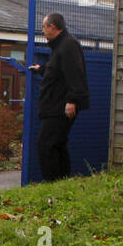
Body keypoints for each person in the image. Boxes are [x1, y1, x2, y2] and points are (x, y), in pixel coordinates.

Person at [29, 12, 90, 182]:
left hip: (61, 106)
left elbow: (75, 73)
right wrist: (40, 69)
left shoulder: (68, 45)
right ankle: (63, 182)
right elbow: (56, 70)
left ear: (53, 27)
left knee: (46, 145)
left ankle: (52, 183)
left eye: (44, 27)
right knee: (58, 144)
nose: (43, 31)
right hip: (56, 105)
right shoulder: (60, 46)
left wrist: (72, 100)